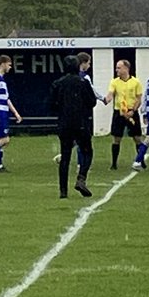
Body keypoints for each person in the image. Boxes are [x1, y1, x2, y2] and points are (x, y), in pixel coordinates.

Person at [49, 55, 96, 198]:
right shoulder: (83, 82)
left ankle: (63, 192)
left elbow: (51, 105)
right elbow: (92, 102)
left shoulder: (58, 83)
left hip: (64, 123)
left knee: (65, 157)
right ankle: (81, 178)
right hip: (81, 122)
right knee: (87, 151)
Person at [105, 59, 142, 169]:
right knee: (117, 138)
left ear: (126, 68)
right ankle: (114, 163)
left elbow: (139, 98)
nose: (117, 70)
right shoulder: (114, 82)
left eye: (119, 68)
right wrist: (106, 99)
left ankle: (140, 161)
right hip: (119, 112)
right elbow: (111, 94)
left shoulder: (136, 82)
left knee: (137, 137)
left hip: (131, 112)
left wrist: (133, 111)